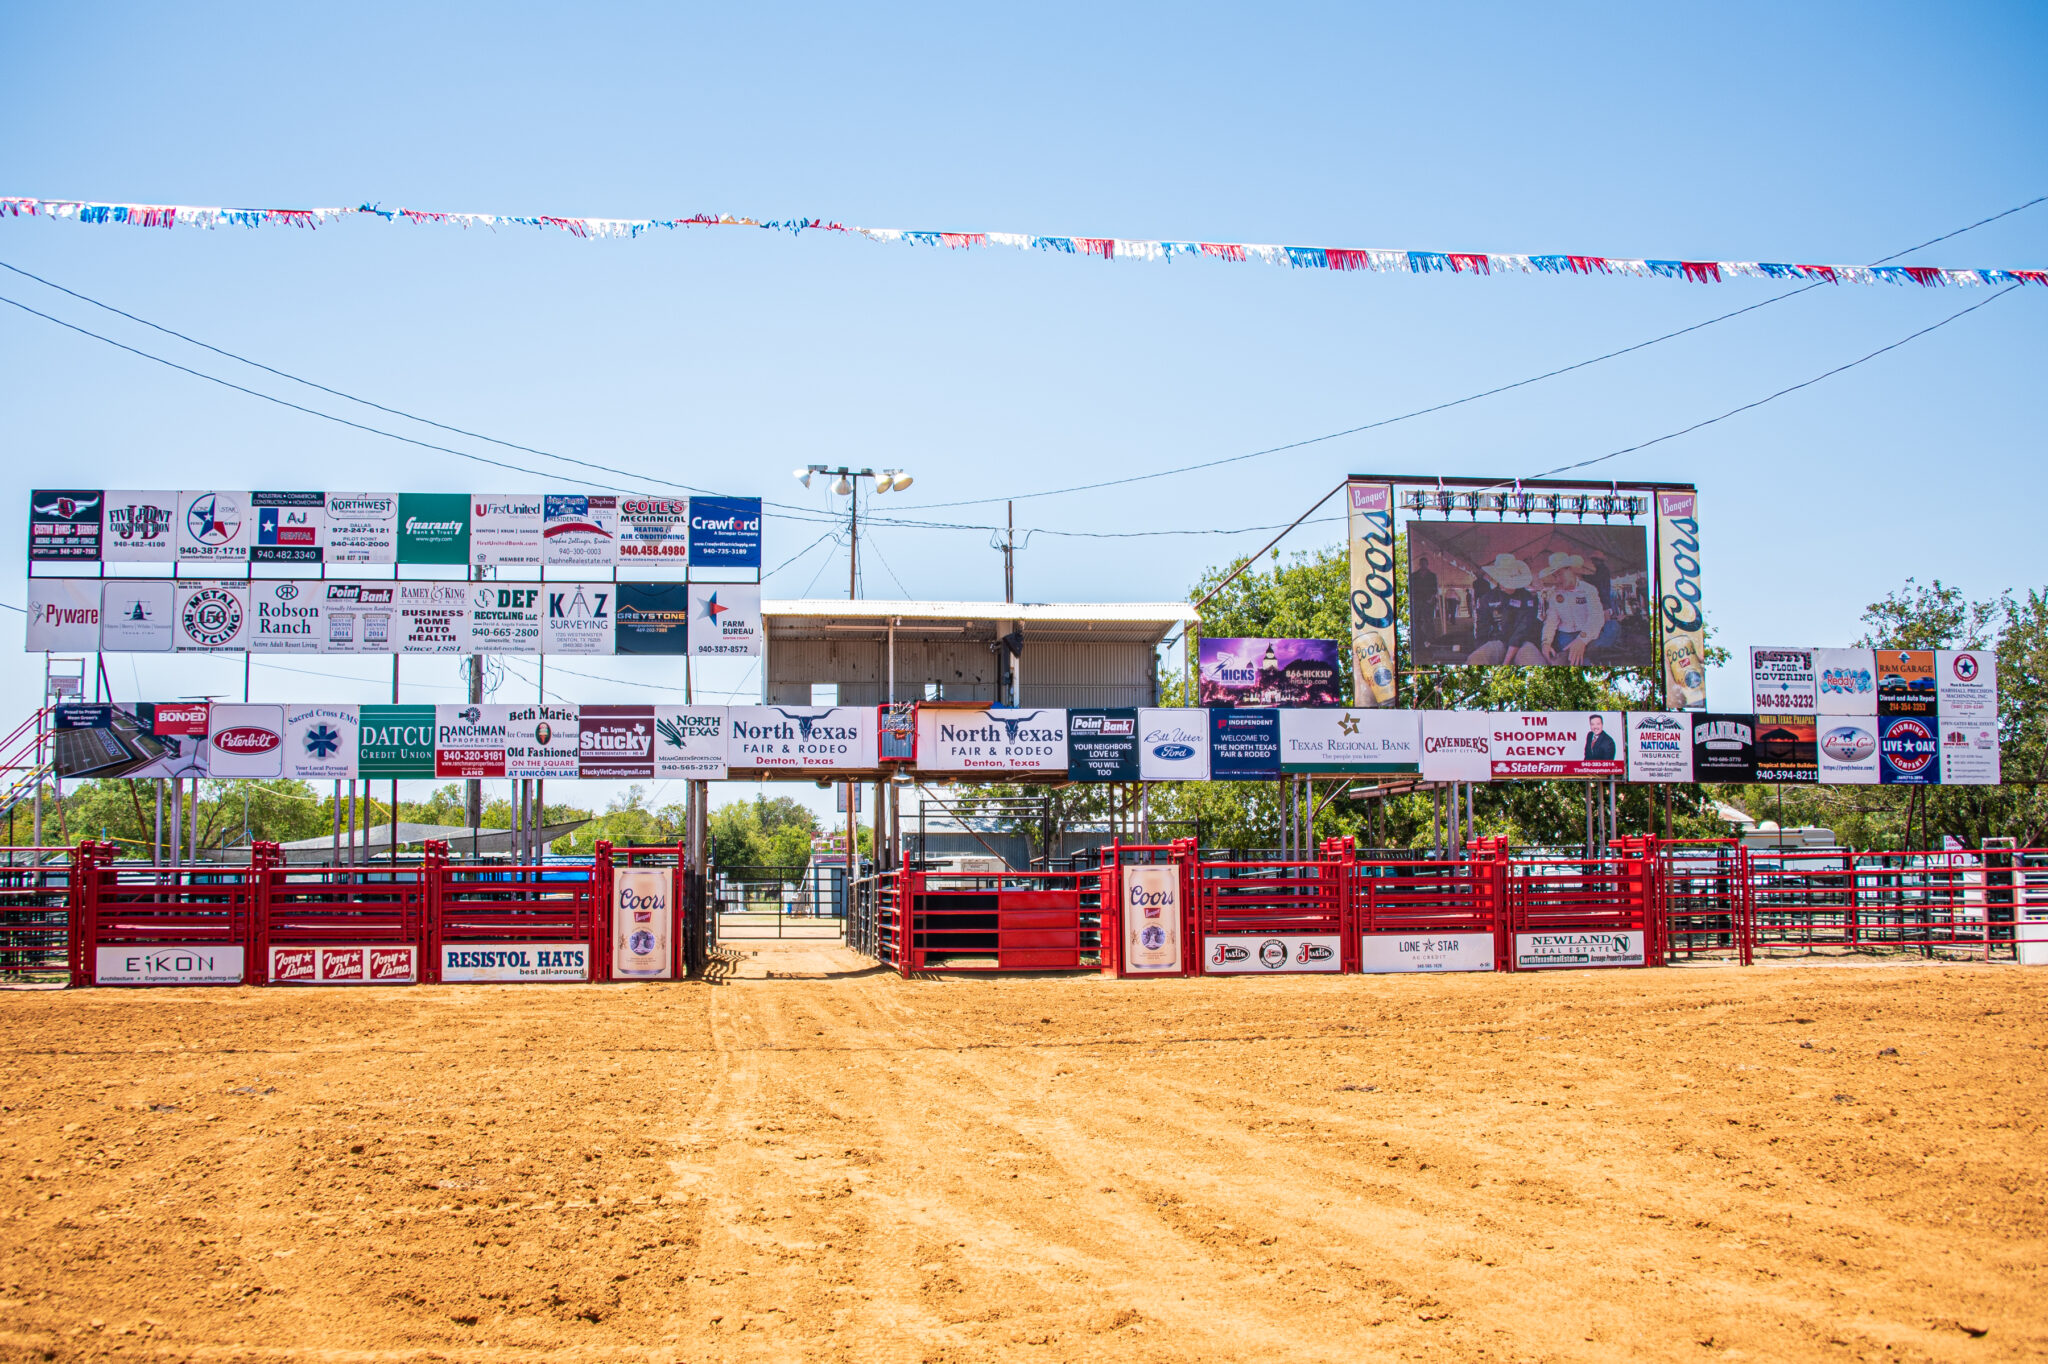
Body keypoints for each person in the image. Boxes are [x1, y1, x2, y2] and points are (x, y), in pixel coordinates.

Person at [1465, 553, 1546, 665]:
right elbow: (1481, 630)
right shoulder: (1487, 598)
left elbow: (1522, 631)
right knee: (1476, 659)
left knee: (1534, 661)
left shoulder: (1527, 597)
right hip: (1497, 641)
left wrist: (1506, 662)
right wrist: (1481, 649)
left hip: (1523, 643)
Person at [1540, 553, 1620, 664]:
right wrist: (1546, 642)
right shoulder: (1554, 594)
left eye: (1560, 574)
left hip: (1587, 631)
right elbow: (1551, 621)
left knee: (1613, 626)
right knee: (1580, 660)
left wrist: (1581, 640)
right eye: (1555, 576)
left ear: (1569, 569)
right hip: (1566, 635)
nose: (1558, 580)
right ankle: (1588, 654)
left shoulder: (1588, 589)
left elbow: (1596, 617)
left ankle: (1577, 653)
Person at [1410, 556, 1440, 645]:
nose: (1423, 565)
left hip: (1428, 601)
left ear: (1427, 564)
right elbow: (1411, 588)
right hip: (1417, 601)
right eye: (1421, 563)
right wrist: (1414, 599)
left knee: (1429, 621)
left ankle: (1431, 639)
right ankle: (1419, 639)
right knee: (1417, 621)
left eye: (1424, 564)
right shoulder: (1414, 575)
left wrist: (1431, 599)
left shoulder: (1432, 576)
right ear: (1419, 564)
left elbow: (1435, 589)